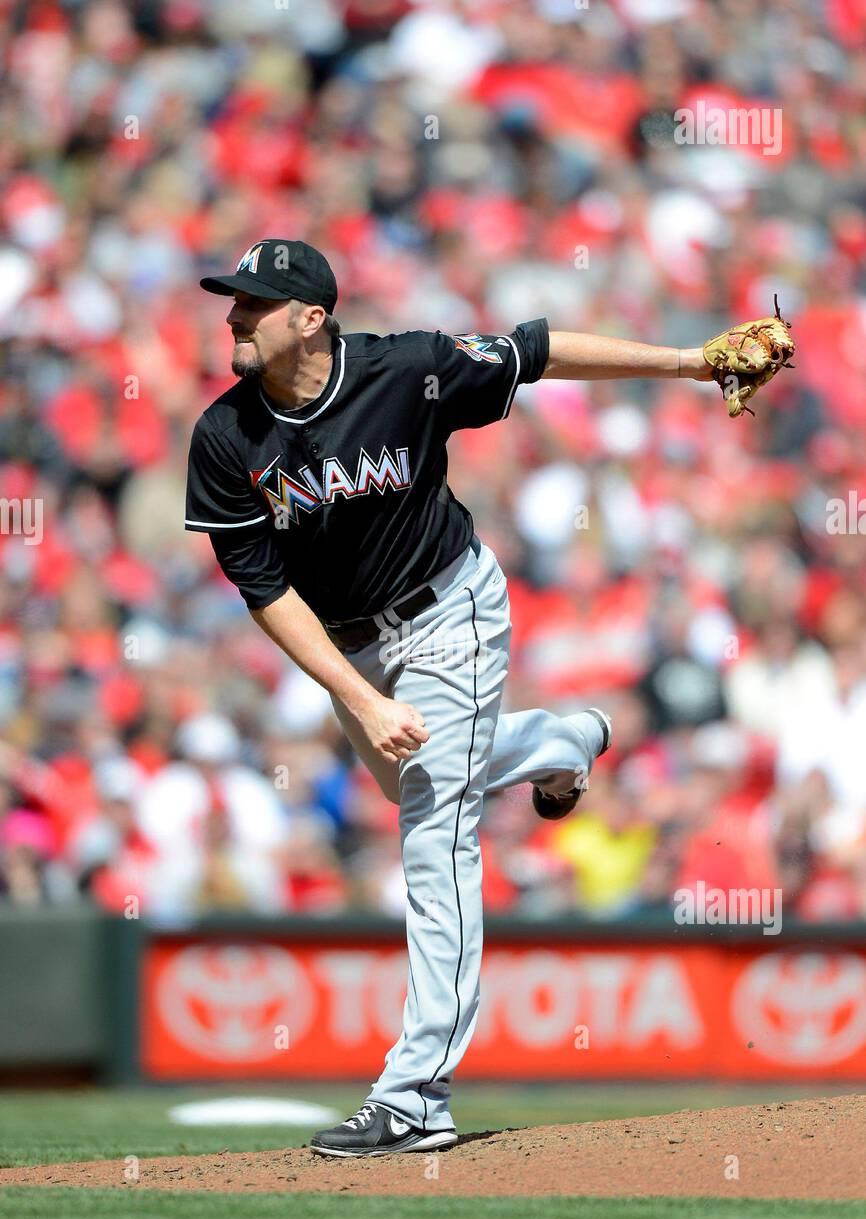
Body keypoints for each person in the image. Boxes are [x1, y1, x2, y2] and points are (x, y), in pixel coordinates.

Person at [185, 238, 714, 1157]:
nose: (232, 316)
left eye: (251, 304)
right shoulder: (226, 436)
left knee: (434, 827)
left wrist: (690, 361)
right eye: (231, 300)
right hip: (351, 646)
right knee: (418, 783)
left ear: (311, 319)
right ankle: (563, 741)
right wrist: (361, 697)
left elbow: (536, 351)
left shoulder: (407, 371)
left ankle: (418, 1091)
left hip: (452, 607)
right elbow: (265, 593)